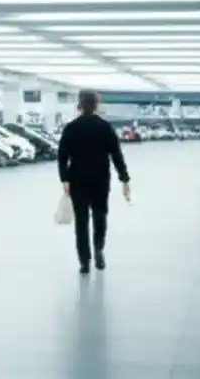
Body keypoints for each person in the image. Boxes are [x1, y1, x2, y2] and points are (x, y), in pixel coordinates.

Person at [57, 90, 131, 274]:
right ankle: (98, 249)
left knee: (81, 221)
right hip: (100, 178)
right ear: (97, 105)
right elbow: (116, 154)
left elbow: (62, 156)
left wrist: (64, 178)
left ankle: (84, 261)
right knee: (100, 216)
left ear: (79, 105)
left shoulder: (71, 127)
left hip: (77, 179)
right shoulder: (105, 127)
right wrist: (124, 178)